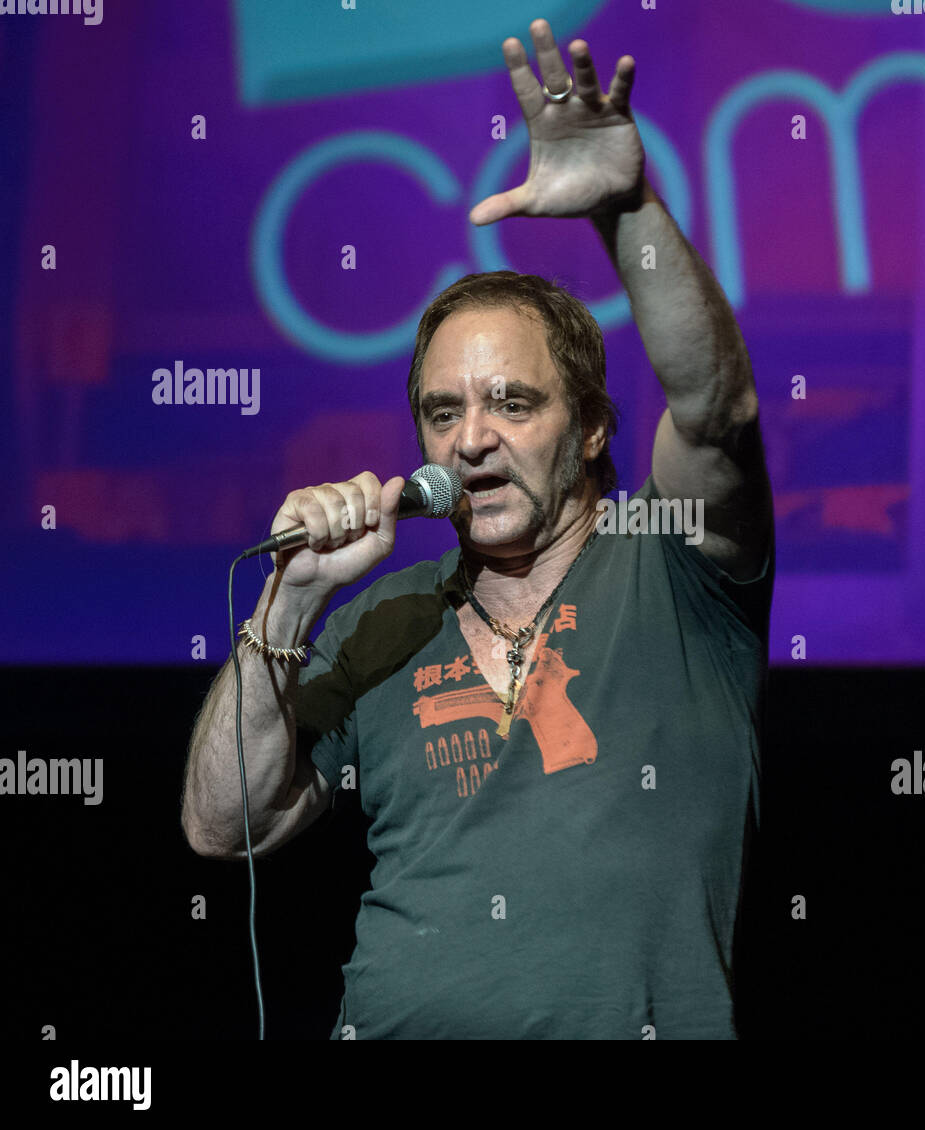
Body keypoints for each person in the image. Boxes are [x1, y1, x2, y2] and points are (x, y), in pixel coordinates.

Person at [181, 17, 773, 1040]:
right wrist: (292, 601)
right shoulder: (385, 618)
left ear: (589, 427)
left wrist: (624, 207)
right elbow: (223, 822)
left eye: (513, 403)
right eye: (444, 412)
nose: (473, 440)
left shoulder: (671, 561)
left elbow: (716, 410)